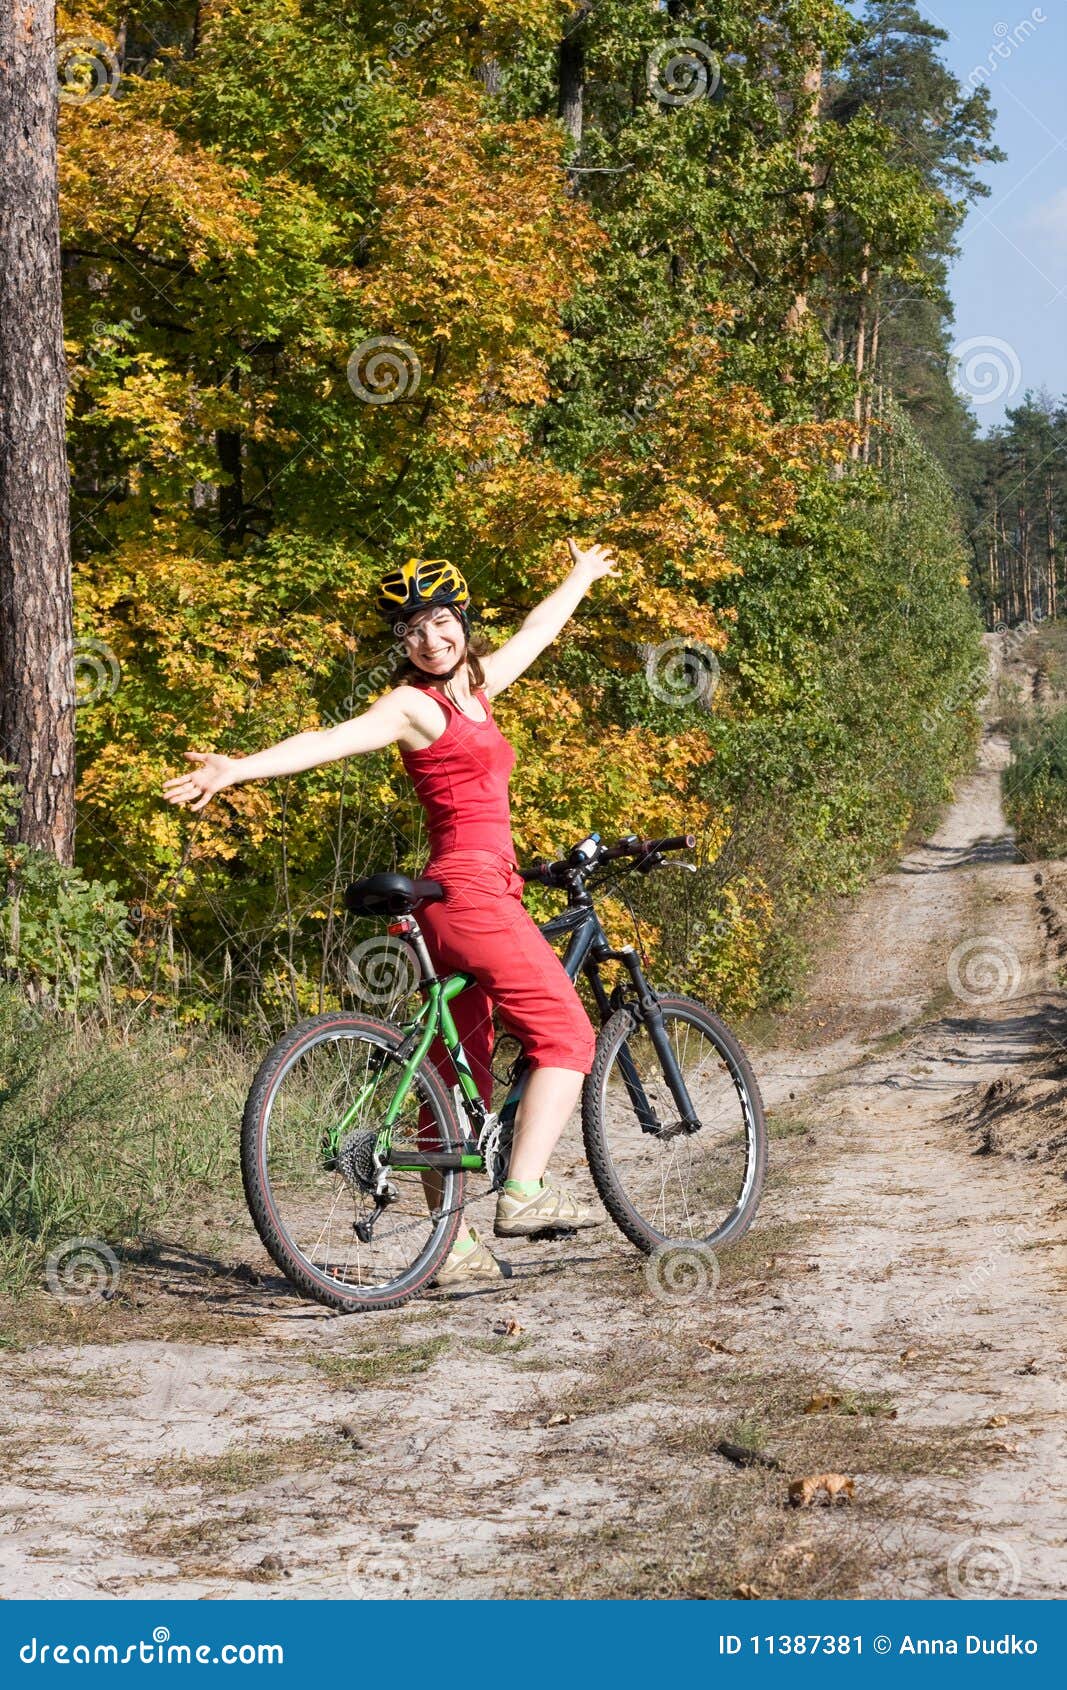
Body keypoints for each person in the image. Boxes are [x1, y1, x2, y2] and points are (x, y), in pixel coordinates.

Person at [163, 536, 619, 1286]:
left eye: (441, 623)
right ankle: (525, 1193)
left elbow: (537, 632)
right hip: (470, 894)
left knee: (452, 1069)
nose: (429, 639)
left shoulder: (474, 687)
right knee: (567, 1034)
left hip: (458, 895)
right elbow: (330, 740)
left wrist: (577, 575)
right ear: (399, 644)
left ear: (463, 624)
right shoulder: (413, 704)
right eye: (411, 631)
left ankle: (452, 1248)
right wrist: (237, 768)